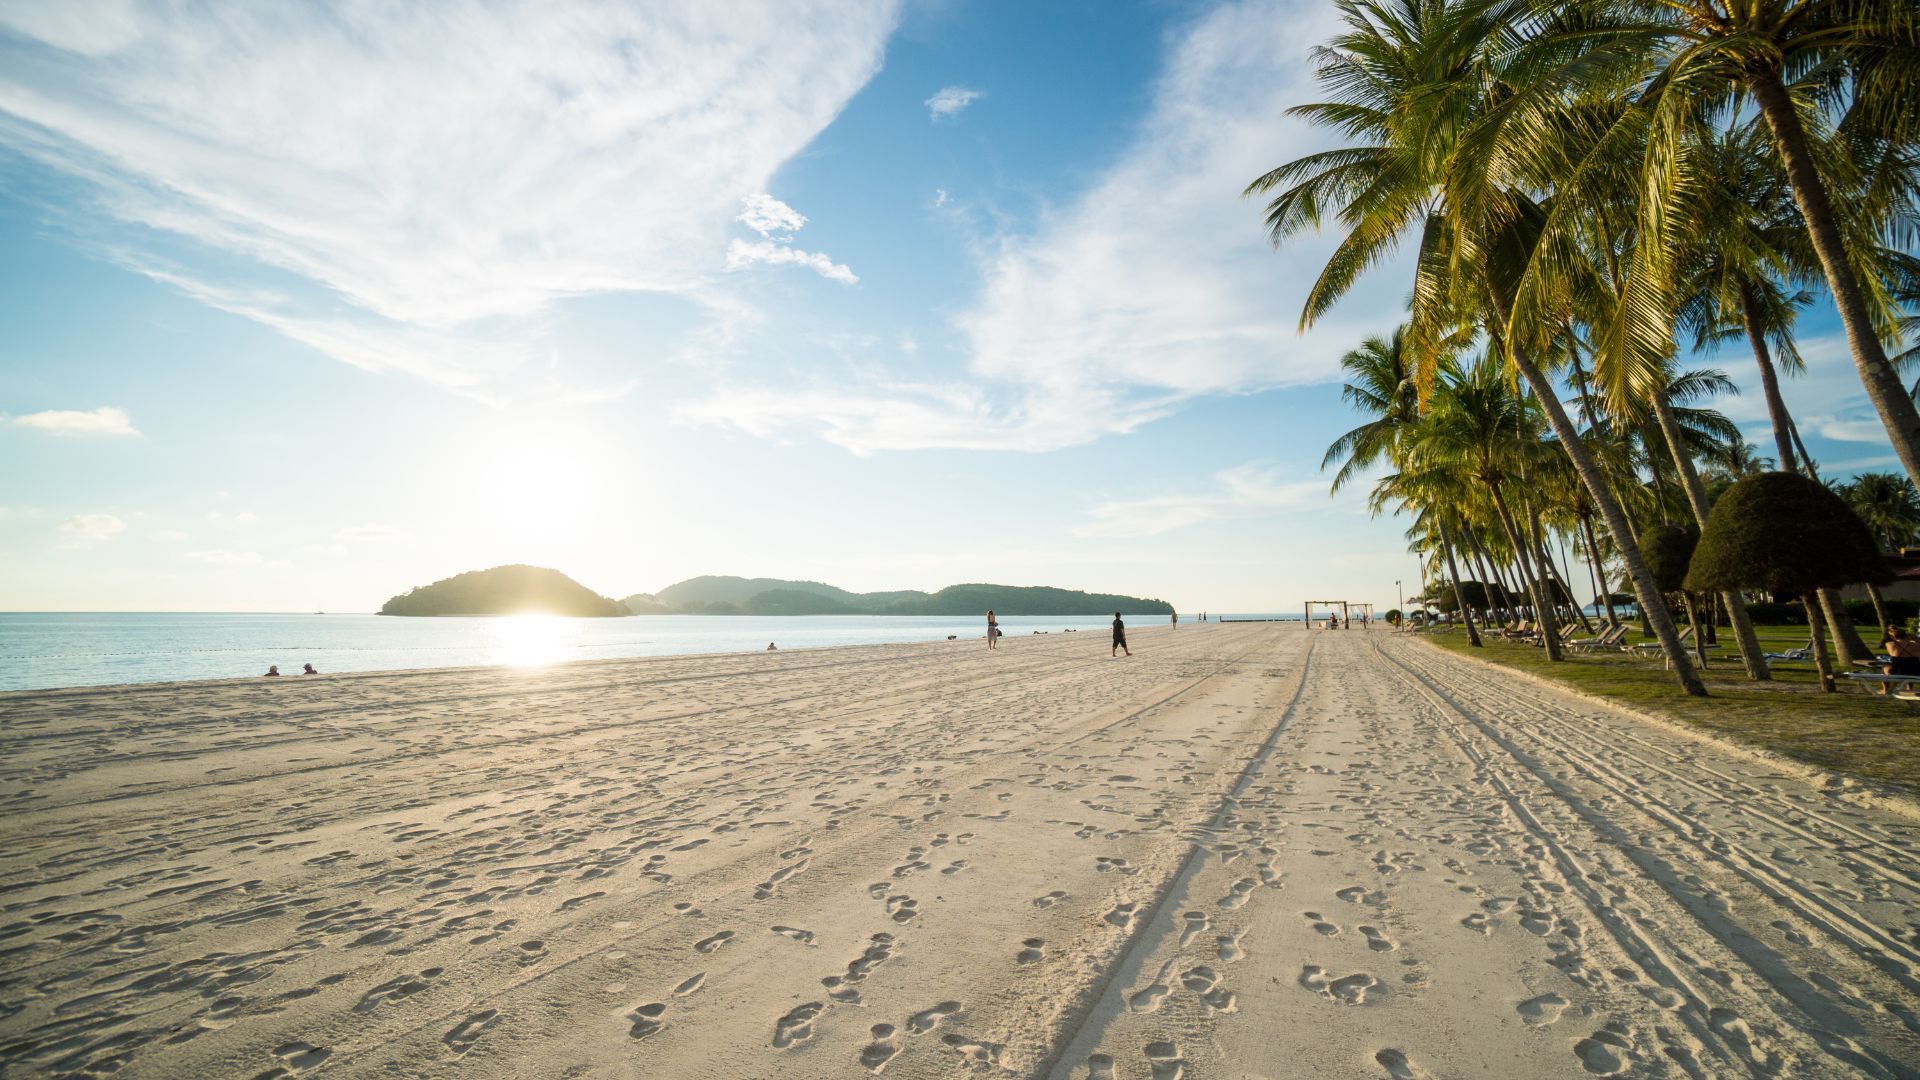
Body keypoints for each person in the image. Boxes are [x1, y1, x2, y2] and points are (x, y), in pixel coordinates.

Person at [1880, 626, 1920, 695]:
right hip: (1915, 672)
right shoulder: (1916, 645)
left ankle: (1885, 689)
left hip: (1897, 672)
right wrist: (1914, 638)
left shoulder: (1889, 644)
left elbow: (1891, 652)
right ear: (1906, 636)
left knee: (1885, 667)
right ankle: (1909, 688)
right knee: (1910, 667)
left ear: (1893, 637)